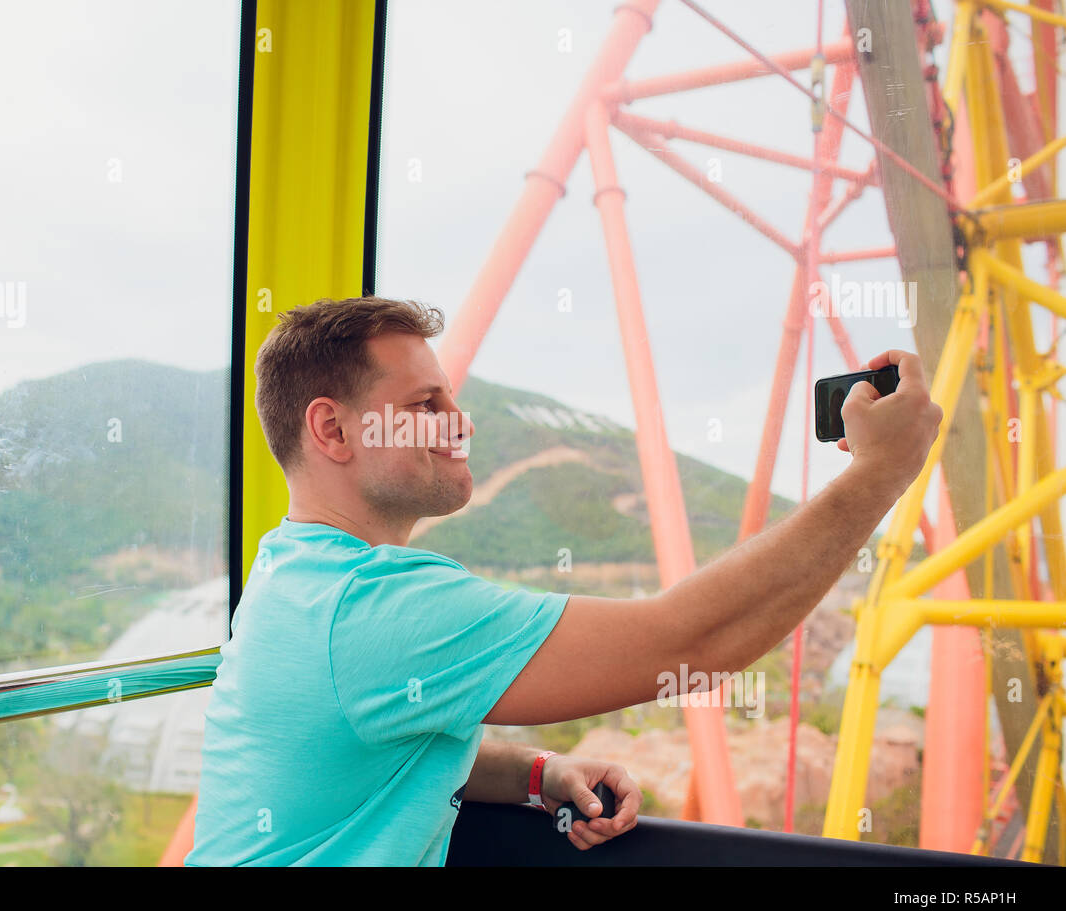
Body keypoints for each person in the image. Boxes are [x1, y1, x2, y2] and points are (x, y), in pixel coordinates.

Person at [185, 295, 942, 866]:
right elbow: (691, 643)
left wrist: (536, 773)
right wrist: (883, 471)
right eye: (426, 404)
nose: (463, 421)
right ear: (332, 430)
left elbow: (361, 747)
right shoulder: (376, 607)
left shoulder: (294, 571)